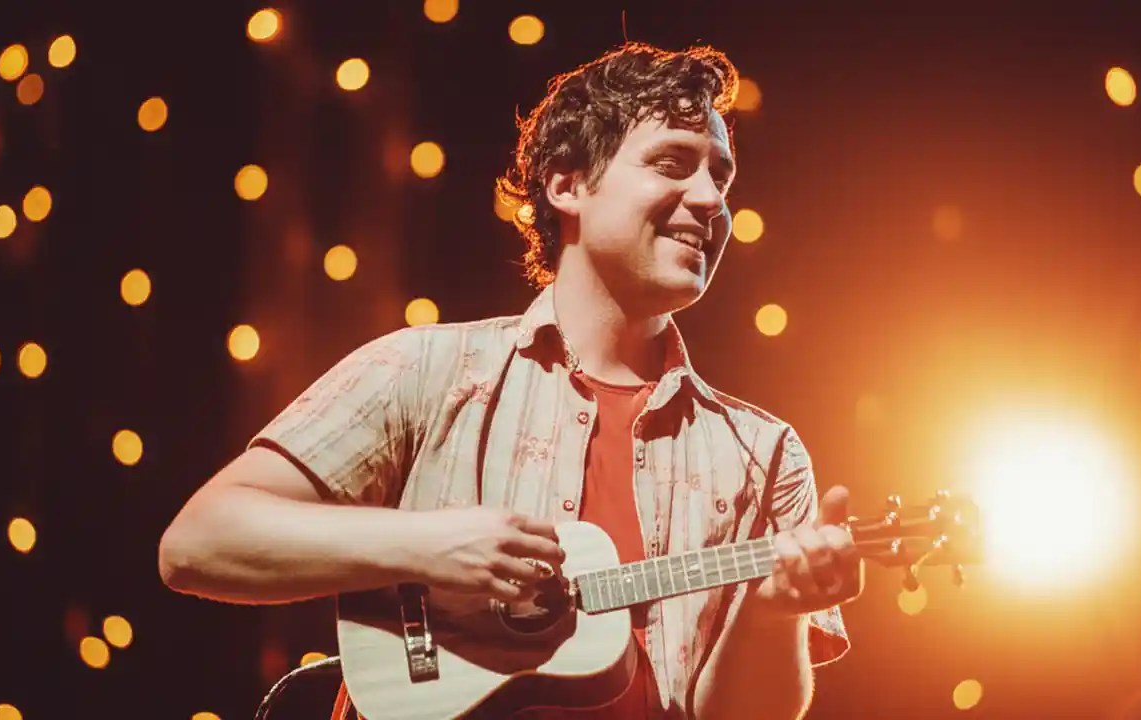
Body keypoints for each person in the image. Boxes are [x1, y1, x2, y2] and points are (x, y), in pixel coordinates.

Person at [159, 41, 860, 719]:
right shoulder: (428, 370)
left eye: (721, 177)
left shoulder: (765, 453)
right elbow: (198, 543)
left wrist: (777, 610)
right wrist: (430, 547)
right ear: (567, 184)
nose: (709, 199)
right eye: (673, 164)